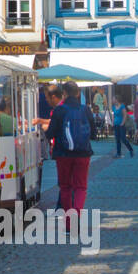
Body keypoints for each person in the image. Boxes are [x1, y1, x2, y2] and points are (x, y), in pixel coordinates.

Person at [47, 82, 96, 226]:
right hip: (83, 153)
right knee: (80, 187)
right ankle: (76, 215)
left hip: (63, 154)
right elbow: (93, 133)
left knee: (65, 187)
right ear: (78, 93)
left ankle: (69, 223)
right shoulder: (85, 109)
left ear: (64, 94)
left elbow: (50, 133)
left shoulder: (59, 110)